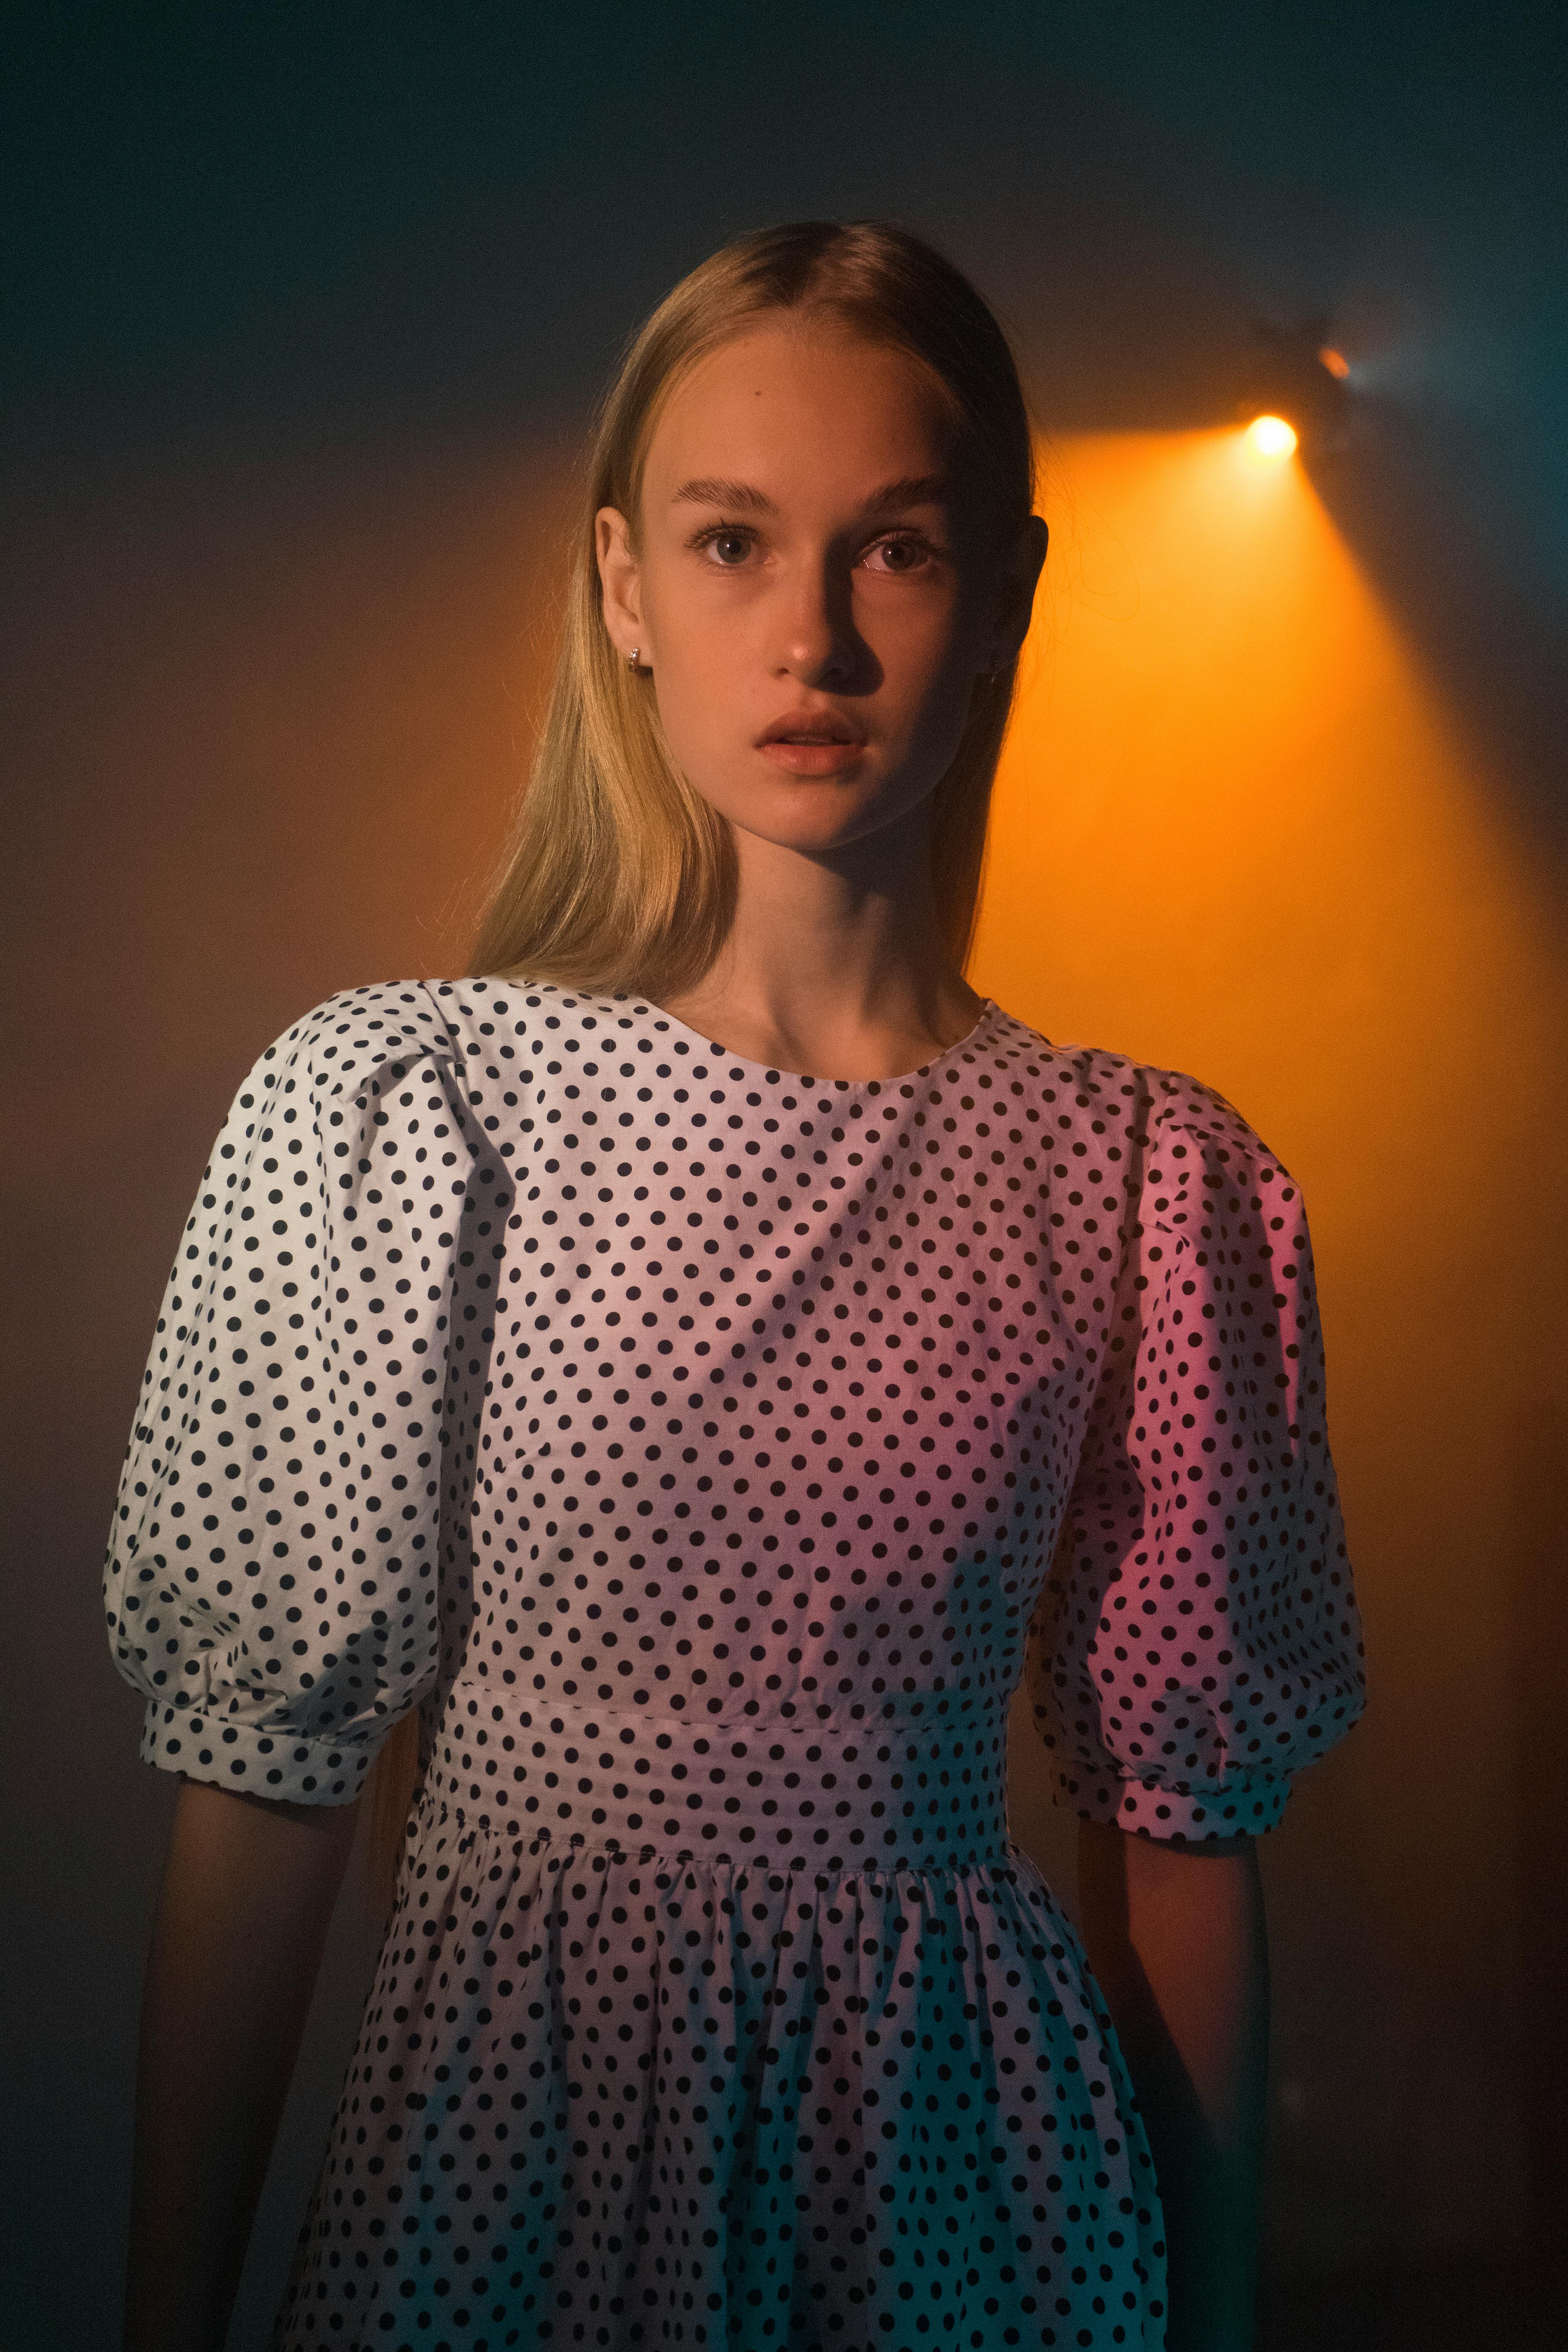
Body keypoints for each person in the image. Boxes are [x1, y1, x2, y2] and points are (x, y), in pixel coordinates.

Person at [106, 220, 1365, 2352]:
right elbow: (263, 1779)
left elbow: (1181, 1831)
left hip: (973, 2173)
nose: (812, 637)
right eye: (728, 544)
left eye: (893, 550)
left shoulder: (1147, 1174)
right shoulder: (411, 1109)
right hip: (521, 2160)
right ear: (620, 586)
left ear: (1007, 594)